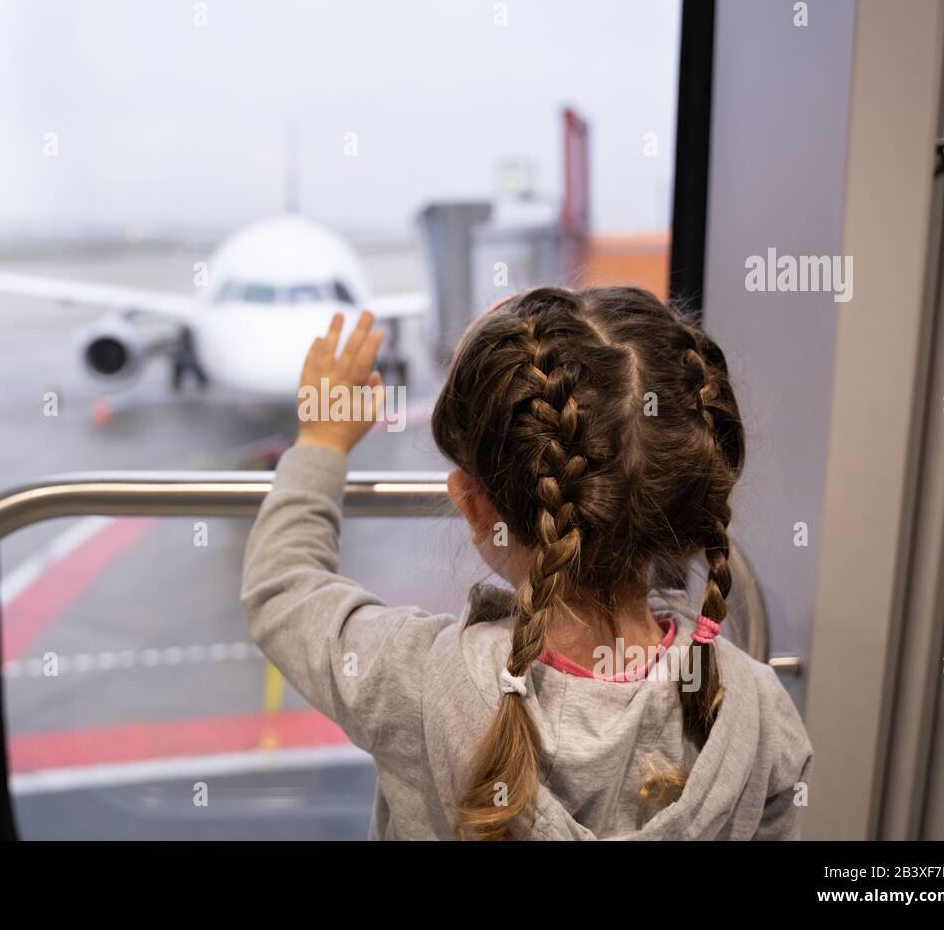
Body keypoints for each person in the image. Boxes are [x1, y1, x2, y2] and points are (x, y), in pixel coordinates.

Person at [241, 286, 812, 840]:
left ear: (471, 503)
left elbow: (282, 590)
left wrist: (321, 442)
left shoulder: (413, 684)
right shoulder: (758, 715)